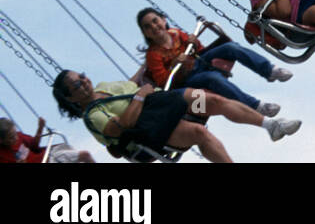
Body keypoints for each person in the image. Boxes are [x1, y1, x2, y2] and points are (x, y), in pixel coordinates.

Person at [51, 69, 300, 164]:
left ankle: (270, 125)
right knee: (199, 133)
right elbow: (124, 125)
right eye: (76, 85)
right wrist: (141, 96)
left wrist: (145, 71)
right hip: (151, 129)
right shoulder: (93, 116)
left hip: (166, 103)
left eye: (81, 76)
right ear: (71, 98)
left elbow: (132, 86)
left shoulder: (105, 85)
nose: (83, 82)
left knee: (212, 100)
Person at [136, 8, 293, 116]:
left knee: (230, 47)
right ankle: (256, 106)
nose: (154, 27)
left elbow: (198, 49)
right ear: (146, 33)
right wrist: (174, 64)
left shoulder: (175, 33)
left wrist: (194, 42)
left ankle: (269, 71)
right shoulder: (153, 55)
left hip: (198, 62)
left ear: (163, 20)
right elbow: (163, 82)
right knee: (212, 78)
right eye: (148, 27)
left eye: (155, 21)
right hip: (186, 79)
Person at [0, 116, 93, 163]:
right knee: (85, 155)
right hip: (45, 161)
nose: (16, 138)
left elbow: (34, 145)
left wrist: (40, 128)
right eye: (11, 137)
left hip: (47, 155)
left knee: (82, 155)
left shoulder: (20, 136)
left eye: (15, 134)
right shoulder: (2, 156)